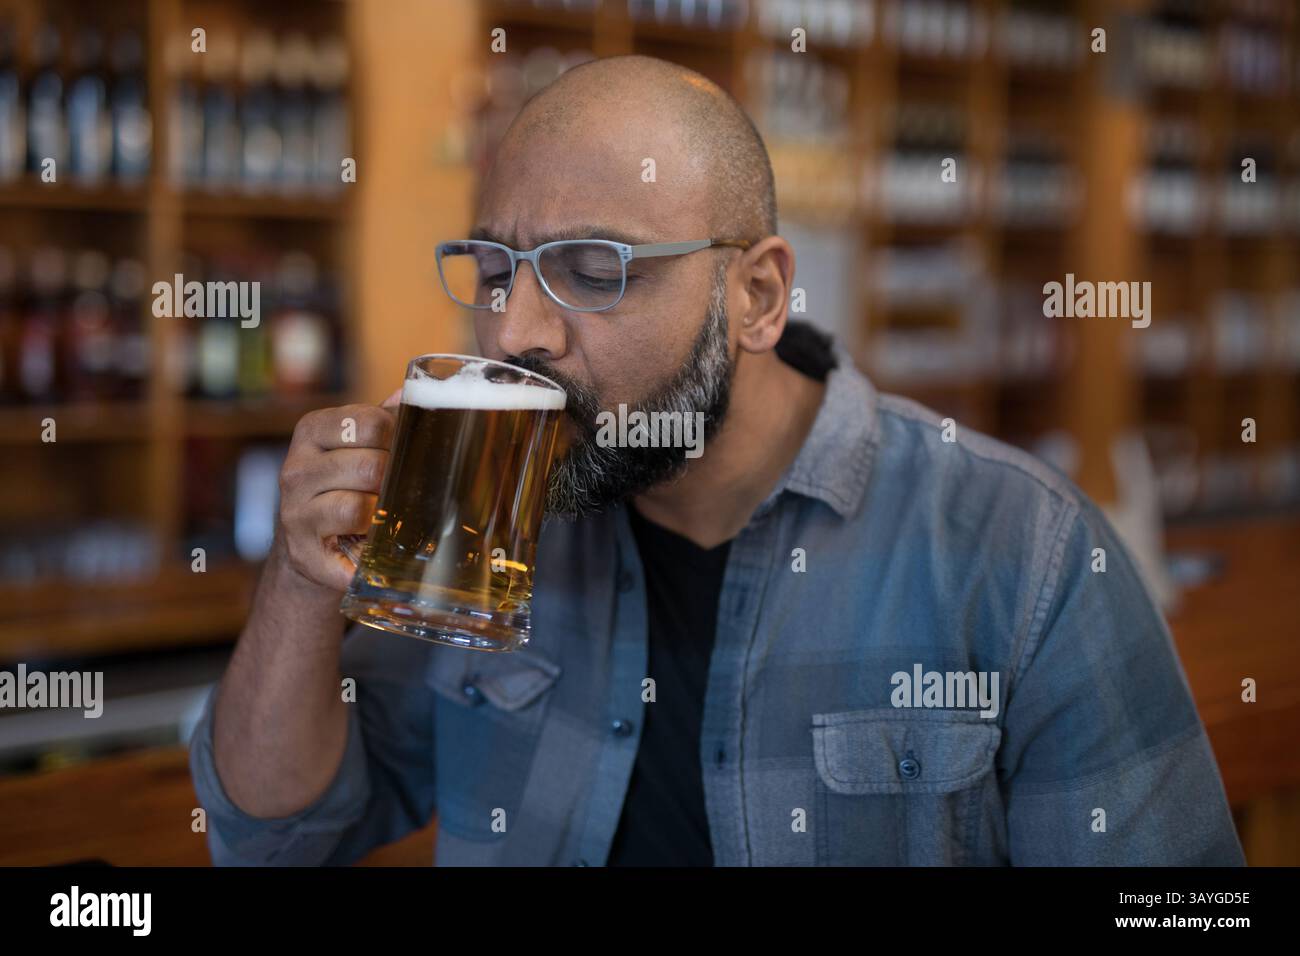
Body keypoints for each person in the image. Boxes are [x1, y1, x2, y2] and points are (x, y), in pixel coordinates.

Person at [189, 55, 1244, 866]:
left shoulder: (1018, 548)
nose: (513, 332)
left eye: (591, 271)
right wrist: (296, 583)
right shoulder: (499, 519)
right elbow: (275, 834)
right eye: (495, 267)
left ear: (756, 296)